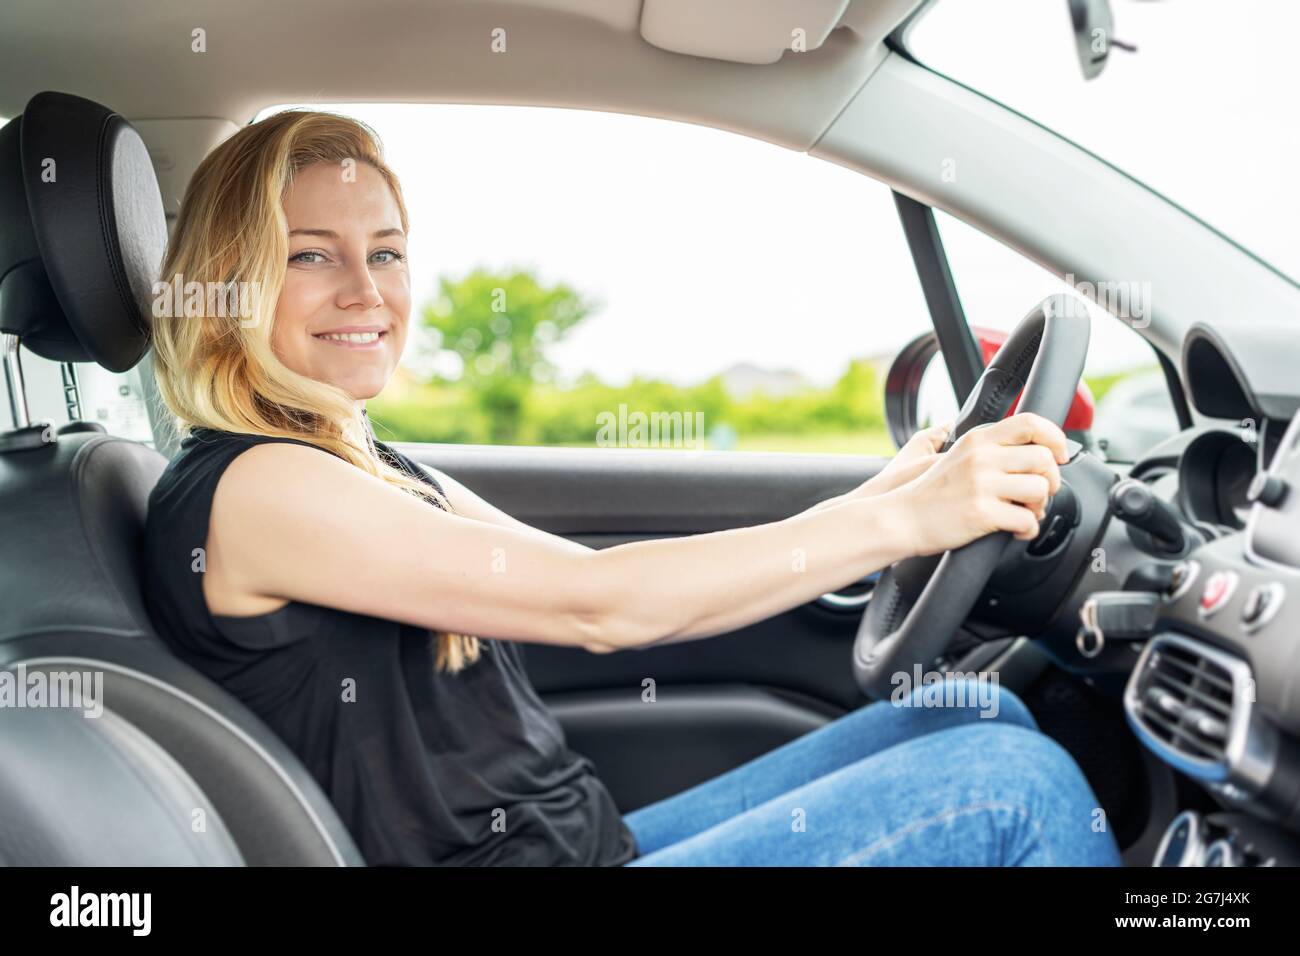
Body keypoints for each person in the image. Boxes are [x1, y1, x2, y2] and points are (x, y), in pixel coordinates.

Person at [142, 109, 1122, 867]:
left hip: (578, 840)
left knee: (967, 713)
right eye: (312, 253)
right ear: (231, 279)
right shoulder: (257, 485)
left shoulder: (350, 456)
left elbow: (582, 568)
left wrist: (876, 503)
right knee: (1013, 786)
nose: (367, 289)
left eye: (386, 250)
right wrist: (906, 516)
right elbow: (601, 605)